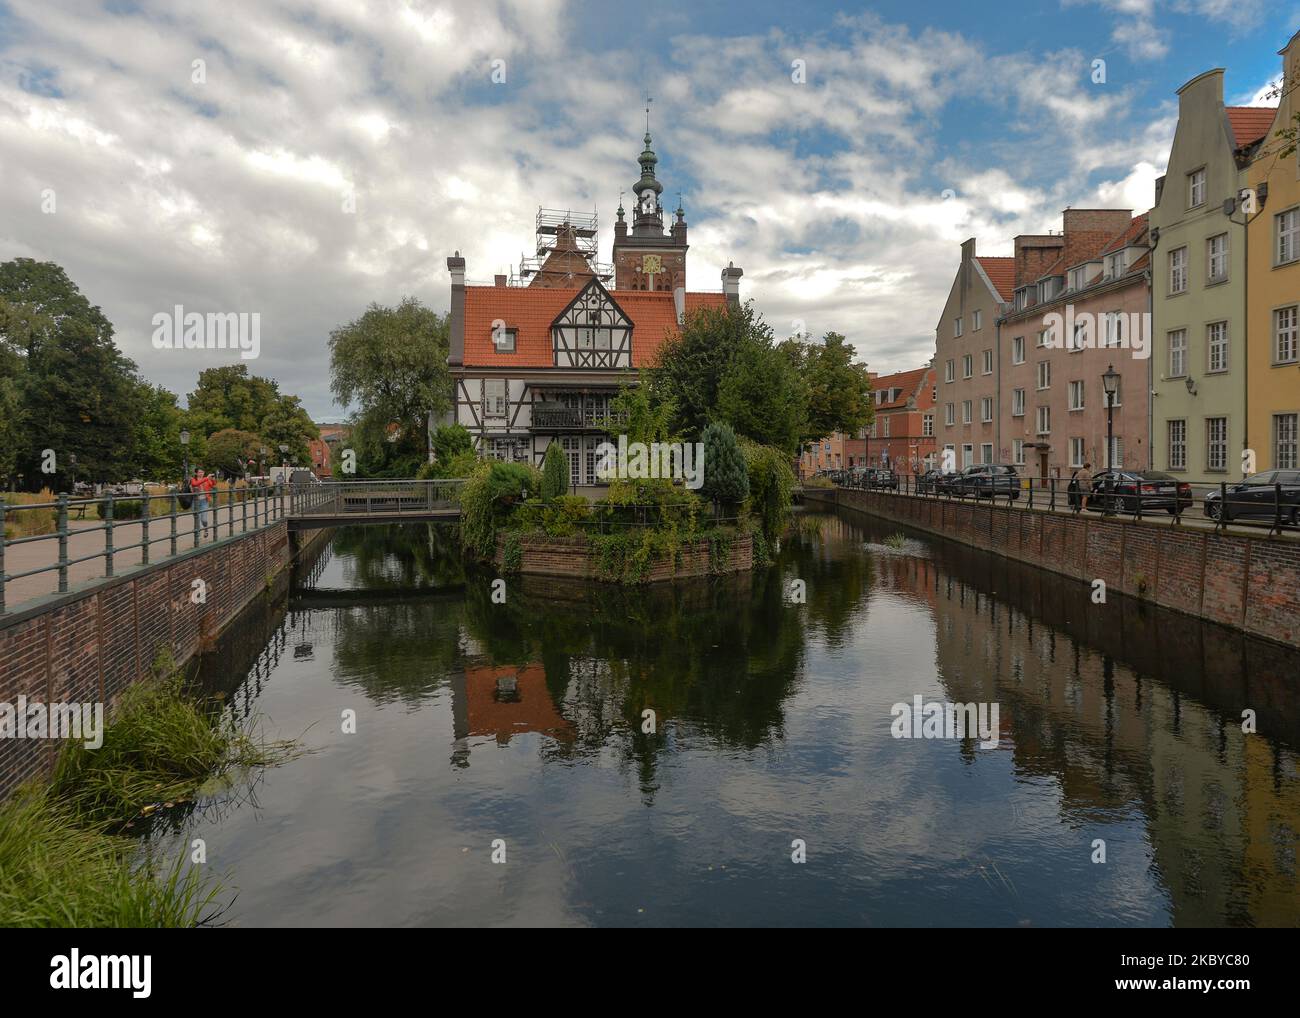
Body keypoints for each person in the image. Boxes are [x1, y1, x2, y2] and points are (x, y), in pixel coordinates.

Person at [191, 467, 216, 535]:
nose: (201, 473)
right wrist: (206, 478)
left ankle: (205, 529)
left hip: (204, 501)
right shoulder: (193, 479)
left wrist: (213, 479)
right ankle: (197, 532)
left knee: (204, 519)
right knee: (197, 518)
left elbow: (213, 485)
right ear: (196, 473)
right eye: (199, 472)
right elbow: (195, 484)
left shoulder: (207, 479)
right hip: (195, 502)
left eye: (202, 472)